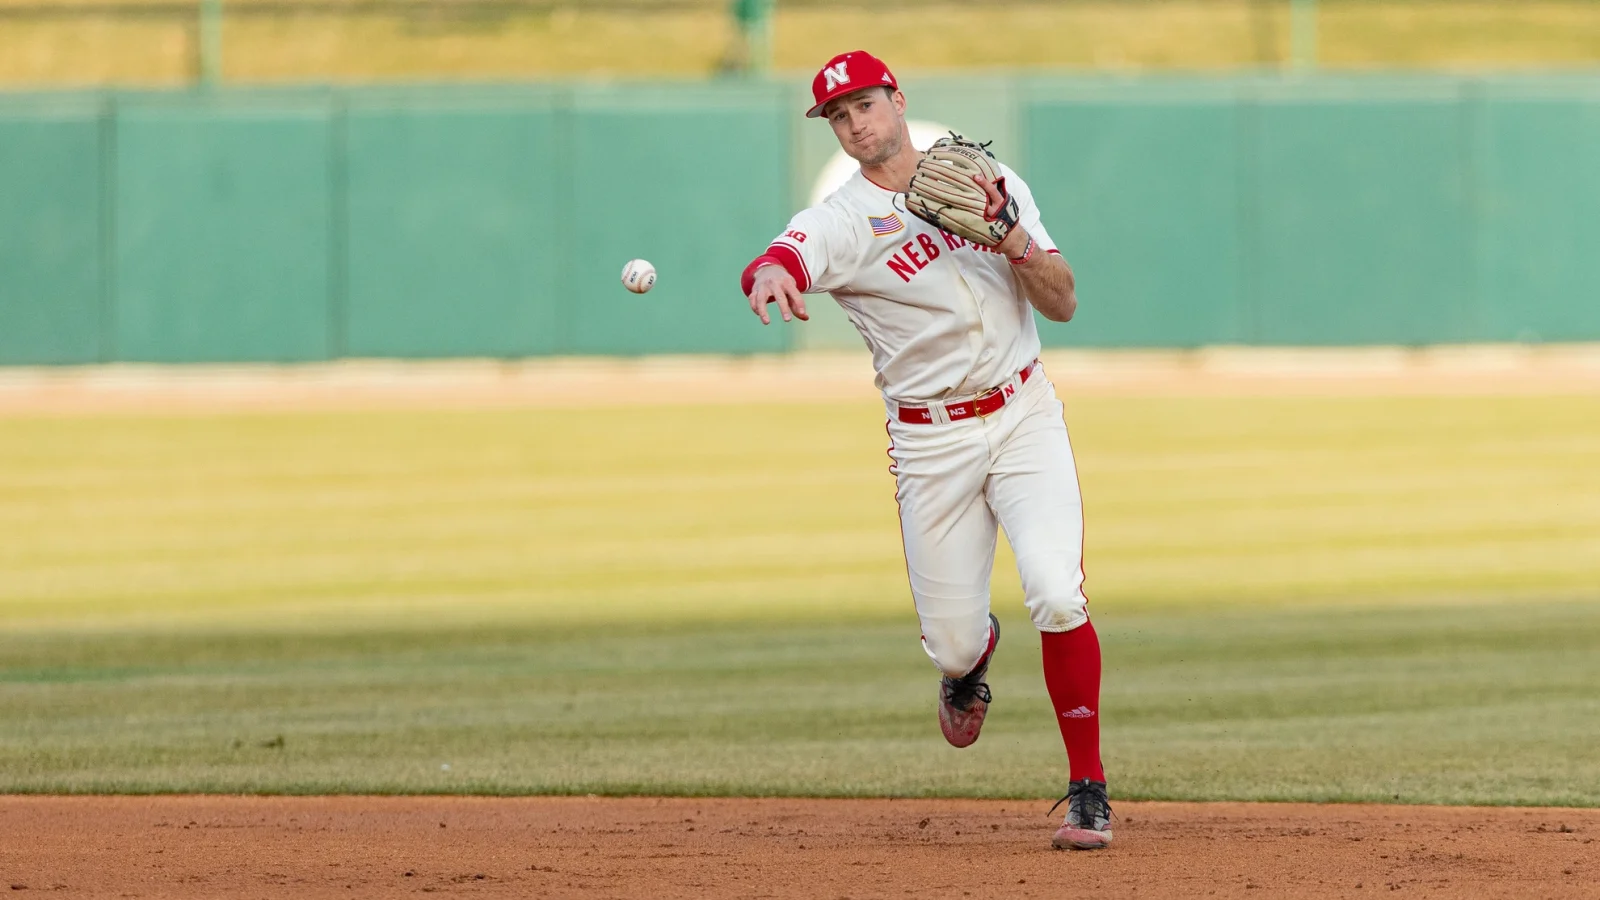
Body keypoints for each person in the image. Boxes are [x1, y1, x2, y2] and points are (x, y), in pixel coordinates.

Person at [738, 50, 1113, 851]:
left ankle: (1089, 787)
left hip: (1023, 414)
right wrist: (768, 277)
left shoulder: (985, 180)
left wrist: (1009, 233)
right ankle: (968, 665)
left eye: (865, 104)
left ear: (899, 99)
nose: (855, 123)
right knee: (950, 638)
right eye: (838, 116)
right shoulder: (842, 220)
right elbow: (784, 253)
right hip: (930, 440)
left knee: (1057, 591)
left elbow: (1065, 298)